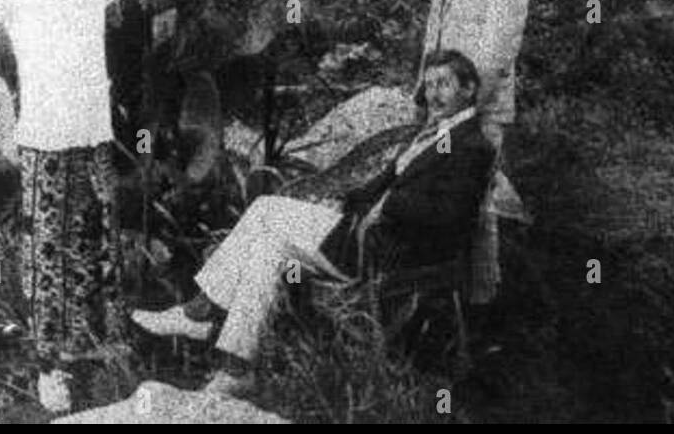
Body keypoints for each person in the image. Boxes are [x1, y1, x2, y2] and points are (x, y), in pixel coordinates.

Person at [131, 49, 494, 397]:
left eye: (444, 84)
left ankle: (200, 315)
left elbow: (451, 215)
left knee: (267, 215)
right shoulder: (433, 133)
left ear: (469, 89)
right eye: (429, 84)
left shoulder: (471, 145)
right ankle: (235, 369)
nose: (433, 94)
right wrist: (350, 196)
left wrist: (390, 204)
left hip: (390, 249)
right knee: (267, 238)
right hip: (363, 231)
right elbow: (385, 183)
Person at [0, 0, 155, 414]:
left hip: (94, 140)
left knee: (98, 241)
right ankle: (50, 365)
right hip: (45, 144)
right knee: (49, 254)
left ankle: (102, 345)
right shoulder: (16, 1)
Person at [417, 0, 530, 303]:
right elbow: (435, 28)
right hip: (442, 103)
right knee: (438, 199)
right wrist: (426, 94)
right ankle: (442, 299)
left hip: (480, 106)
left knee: (477, 203)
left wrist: (465, 104)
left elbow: (500, 42)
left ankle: (483, 301)